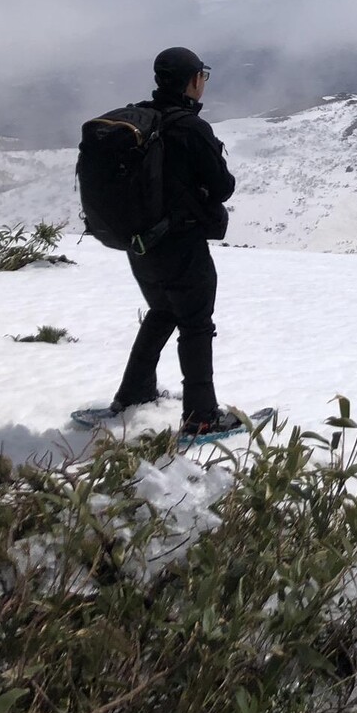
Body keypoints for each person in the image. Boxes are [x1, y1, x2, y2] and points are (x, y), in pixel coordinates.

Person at [112, 47, 240, 437]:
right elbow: (223, 186)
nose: (203, 82)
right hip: (181, 243)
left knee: (163, 311)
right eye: (202, 75)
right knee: (196, 324)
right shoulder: (189, 127)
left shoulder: (137, 119)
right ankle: (201, 415)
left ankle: (134, 394)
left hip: (139, 244)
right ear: (192, 80)